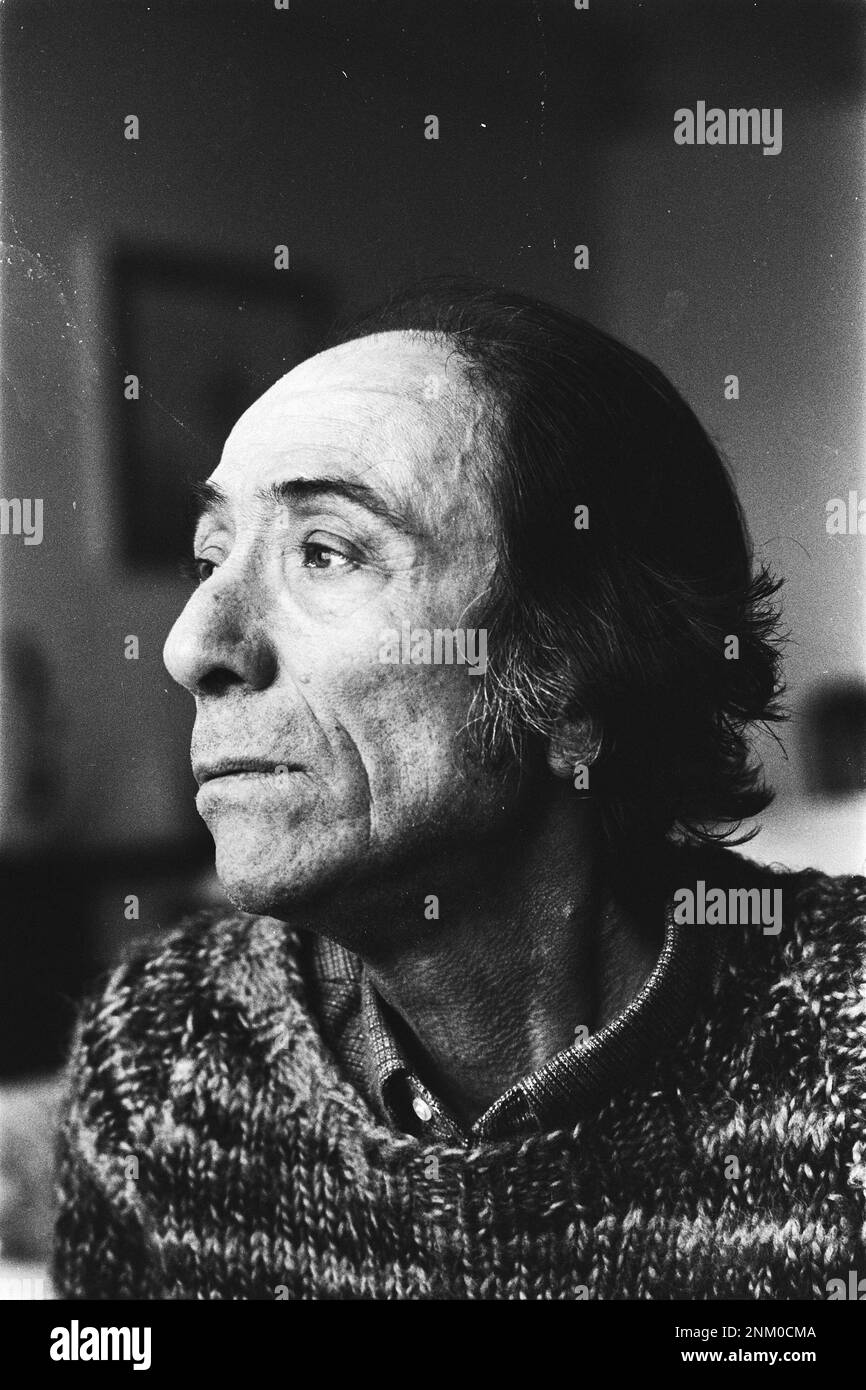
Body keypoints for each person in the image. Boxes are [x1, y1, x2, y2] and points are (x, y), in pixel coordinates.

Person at [53, 282, 866, 1300]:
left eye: (325, 550)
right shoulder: (161, 1055)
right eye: (207, 558)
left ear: (574, 668)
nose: (191, 645)